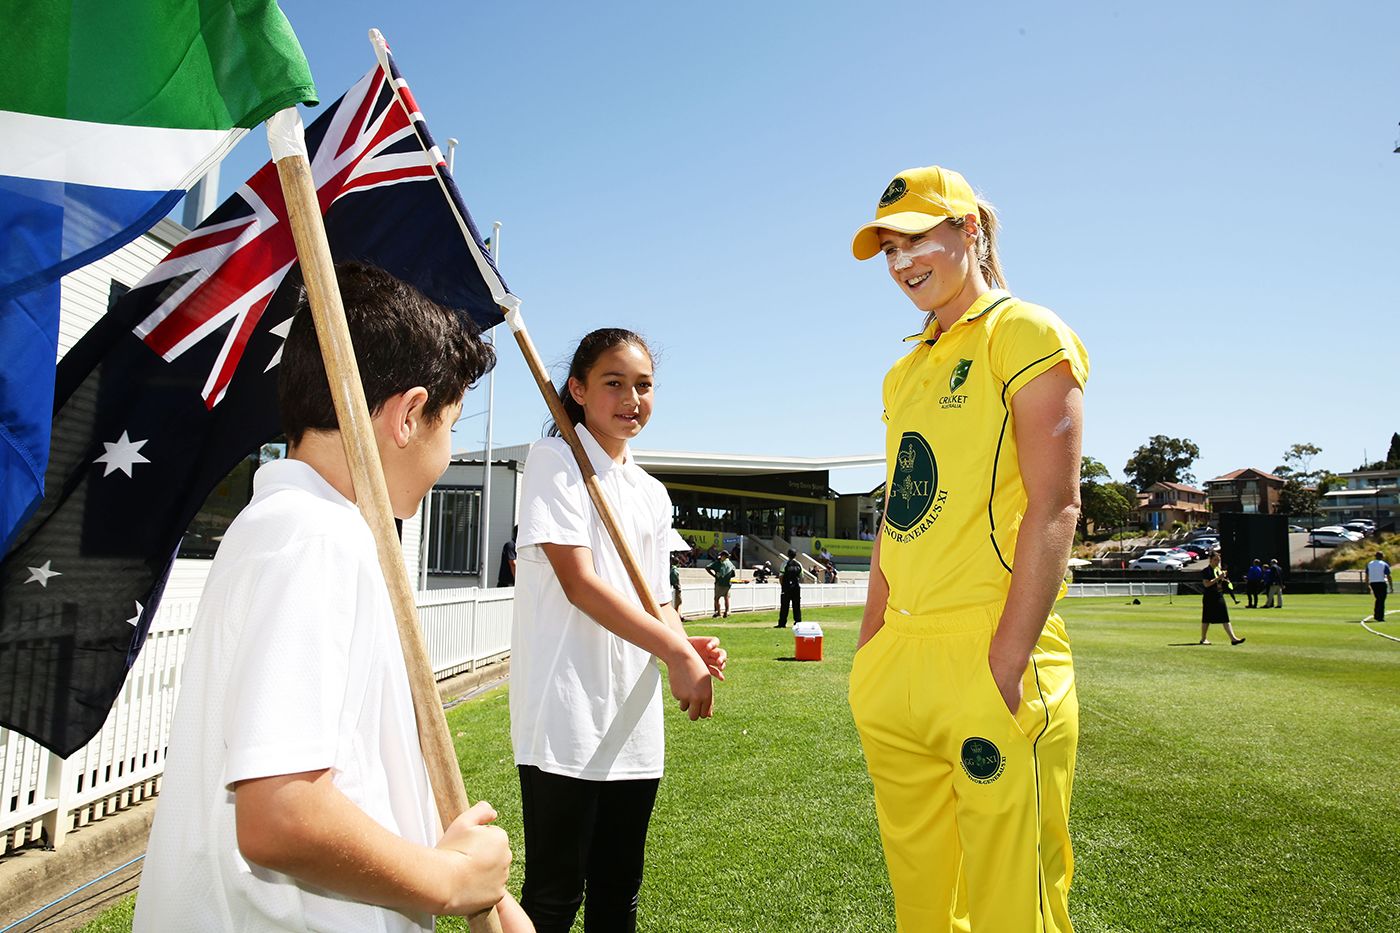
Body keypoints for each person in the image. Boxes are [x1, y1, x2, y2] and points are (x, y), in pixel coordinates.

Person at [134, 263, 530, 932]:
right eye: (451, 424)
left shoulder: (297, 527)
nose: (447, 452)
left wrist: (489, 893)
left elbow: (353, 771)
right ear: (409, 415)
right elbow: (282, 813)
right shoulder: (313, 536)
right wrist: (447, 879)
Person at [847, 165, 1085, 931]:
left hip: (992, 646)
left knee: (1016, 909)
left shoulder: (1026, 332)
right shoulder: (903, 367)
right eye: (889, 248)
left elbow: (1056, 505)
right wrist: (871, 649)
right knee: (922, 908)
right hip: (901, 662)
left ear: (968, 231)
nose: (902, 261)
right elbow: (898, 512)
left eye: (917, 237)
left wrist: (1007, 664)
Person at [510, 327, 726, 933]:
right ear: (576, 389)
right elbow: (580, 584)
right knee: (554, 896)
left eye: (644, 385)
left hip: (632, 719)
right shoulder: (555, 459)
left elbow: (658, 597)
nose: (632, 398)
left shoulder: (651, 492)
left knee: (617, 894)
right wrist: (672, 651)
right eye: (614, 383)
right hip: (565, 716)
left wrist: (685, 645)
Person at [1199, 552, 1246, 646]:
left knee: (1225, 618)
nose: (1217, 562)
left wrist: (1224, 581)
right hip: (1209, 597)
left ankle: (1233, 639)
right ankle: (1203, 638)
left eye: (1219, 560)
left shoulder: (1218, 570)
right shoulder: (1206, 571)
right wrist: (1218, 578)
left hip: (1219, 595)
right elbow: (1206, 584)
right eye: (1215, 559)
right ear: (1210, 560)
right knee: (1206, 619)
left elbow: (1219, 583)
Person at [777, 547, 804, 628]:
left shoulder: (784, 563)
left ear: (788, 555)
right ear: (795, 555)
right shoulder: (799, 564)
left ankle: (782, 623)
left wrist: (783, 586)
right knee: (796, 605)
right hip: (796, 587)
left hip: (786, 587)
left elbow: (781, 576)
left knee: (784, 605)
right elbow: (801, 577)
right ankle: (798, 622)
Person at [708, 549, 737, 618]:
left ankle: (718, 612)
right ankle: (726, 612)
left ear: (722, 556)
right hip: (727, 584)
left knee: (717, 598)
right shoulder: (730, 564)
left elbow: (707, 567)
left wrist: (714, 575)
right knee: (726, 598)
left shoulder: (719, 563)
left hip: (719, 583)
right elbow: (733, 574)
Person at [1366, 551, 1392, 622]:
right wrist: (1391, 586)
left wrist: (1367, 584)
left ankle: (1377, 614)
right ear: (1382, 557)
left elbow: (1367, 575)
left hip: (1373, 583)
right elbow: (1388, 575)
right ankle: (1379, 616)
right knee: (1381, 600)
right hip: (1381, 582)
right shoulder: (1384, 564)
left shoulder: (1370, 564)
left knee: (1378, 599)